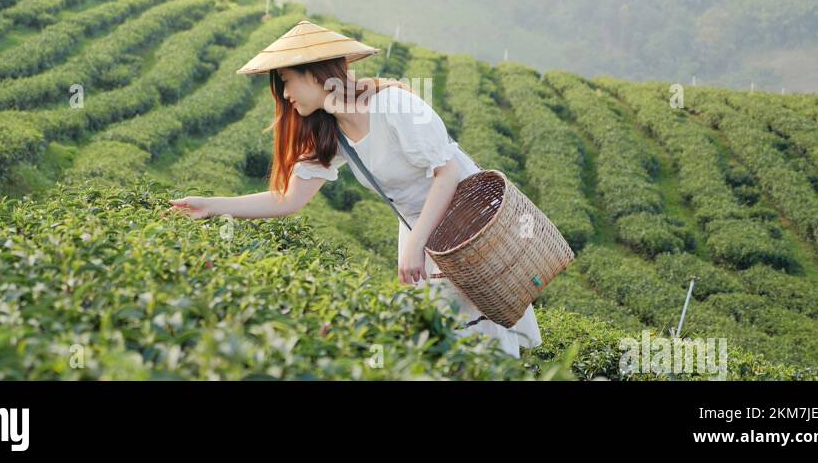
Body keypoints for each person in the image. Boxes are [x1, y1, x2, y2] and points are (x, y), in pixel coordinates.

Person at [169, 19, 541, 359]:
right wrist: (212, 206)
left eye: (286, 80)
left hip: (466, 225)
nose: (284, 93)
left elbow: (445, 174)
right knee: (441, 338)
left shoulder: (394, 104)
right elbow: (288, 200)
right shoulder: (330, 133)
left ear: (315, 75)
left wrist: (415, 245)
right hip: (420, 230)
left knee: (478, 335)